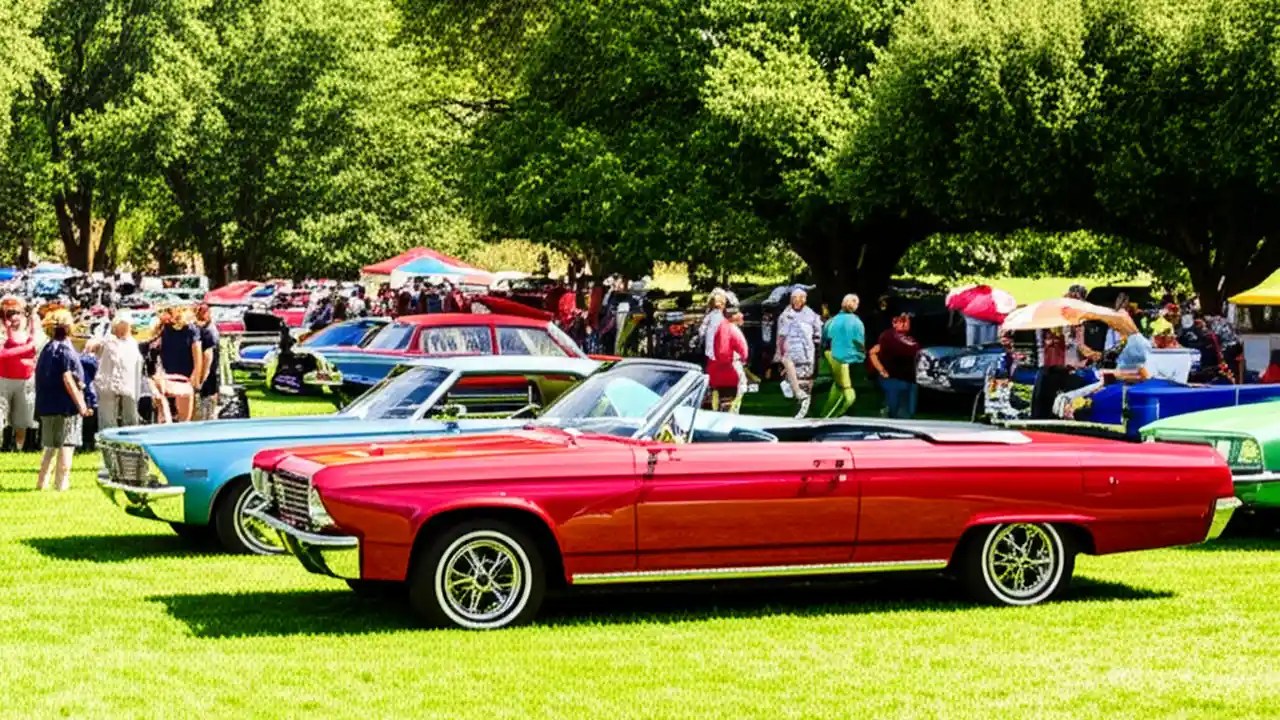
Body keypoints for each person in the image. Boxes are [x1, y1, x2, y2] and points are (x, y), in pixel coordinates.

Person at [34, 310, 91, 491]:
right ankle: (61, 484)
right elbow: (68, 378)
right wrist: (82, 405)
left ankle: (42, 483)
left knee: (49, 446)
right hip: (66, 406)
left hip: (46, 404)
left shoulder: (47, 348)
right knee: (67, 444)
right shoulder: (66, 349)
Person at [85, 311, 143, 430]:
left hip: (128, 385)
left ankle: (130, 438)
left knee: (130, 414)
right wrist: (93, 344)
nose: (123, 330)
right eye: (120, 326)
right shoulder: (107, 341)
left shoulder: (133, 343)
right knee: (107, 416)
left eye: (125, 326)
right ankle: (107, 438)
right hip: (107, 383)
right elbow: (91, 346)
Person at [776, 288, 823, 418]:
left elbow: (817, 335)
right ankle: (798, 408)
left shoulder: (811, 315)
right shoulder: (785, 316)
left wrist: (815, 347)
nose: (797, 301)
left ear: (804, 299)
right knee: (794, 382)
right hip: (791, 355)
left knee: (807, 382)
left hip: (807, 354)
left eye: (800, 298)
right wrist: (779, 355)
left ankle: (806, 410)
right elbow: (780, 337)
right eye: (795, 298)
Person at [820, 294, 866, 418]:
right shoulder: (857, 322)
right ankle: (831, 417)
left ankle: (826, 415)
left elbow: (824, 341)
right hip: (847, 361)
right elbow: (859, 343)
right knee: (848, 394)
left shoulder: (831, 321)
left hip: (832, 357)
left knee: (837, 388)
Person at [0, 300, 37, 450]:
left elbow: (36, 347)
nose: (14, 317)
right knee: (2, 413)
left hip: (25, 380)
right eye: (10, 314)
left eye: (17, 313)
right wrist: (27, 348)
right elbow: (3, 354)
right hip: (4, 379)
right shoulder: (3, 335)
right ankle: (5, 443)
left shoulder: (30, 333)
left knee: (23, 416)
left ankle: (20, 445)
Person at [154, 308, 202, 422]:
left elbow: (197, 356)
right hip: (167, 377)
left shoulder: (191, 329)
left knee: (184, 418)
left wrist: (195, 378)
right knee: (165, 416)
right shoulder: (164, 329)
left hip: (184, 378)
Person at [869, 313, 920, 419]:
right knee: (893, 409)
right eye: (902, 321)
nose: (905, 324)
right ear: (894, 323)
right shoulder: (888, 336)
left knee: (907, 412)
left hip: (909, 380)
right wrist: (881, 370)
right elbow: (872, 352)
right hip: (892, 380)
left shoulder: (912, 338)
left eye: (907, 321)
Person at [708, 306, 750, 413]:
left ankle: (719, 414)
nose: (742, 316)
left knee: (720, 396)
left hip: (715, 370)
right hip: (731, 369)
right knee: (733, 398)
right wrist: (743, 360)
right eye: (739, 313)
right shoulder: (731, 328)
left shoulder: (716, 327)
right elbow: (743, 350)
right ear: (733, 316)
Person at [194, 305, 221, 421]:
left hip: (209, 372)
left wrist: (201, 377)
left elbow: (208, 357)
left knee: (208, 401)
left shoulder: (210, 332)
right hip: (206, 371)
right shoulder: (202, 329)